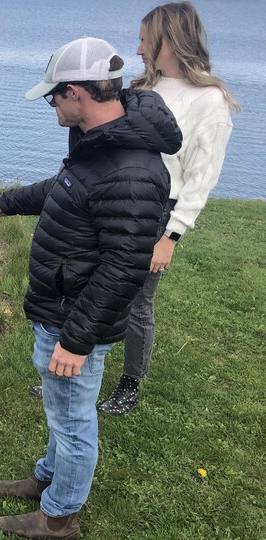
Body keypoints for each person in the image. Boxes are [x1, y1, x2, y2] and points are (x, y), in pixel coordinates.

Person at [0, 37, 181, 539]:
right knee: (61, 406)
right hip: (61, 310)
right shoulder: (99, 142)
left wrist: (75, 339)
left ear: (75, 94)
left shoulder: (129, 169)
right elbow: (62, 189)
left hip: (74, 320)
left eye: (53, 98)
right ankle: (50, 479)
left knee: (72, 420)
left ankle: (60, 516)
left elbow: (124, 265)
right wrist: (7, 202)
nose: (51, 107)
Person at [97, 1, 239, 415]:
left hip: (160, 210)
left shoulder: (209, 103)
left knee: (137, 302)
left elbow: (201, 180)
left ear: (169, 41)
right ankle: (79, 368)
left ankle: (130, 385)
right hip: (119, 200)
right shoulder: (142, 89)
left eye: (145, 40)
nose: (138, 49)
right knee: (95, 285)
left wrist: (171, 236)